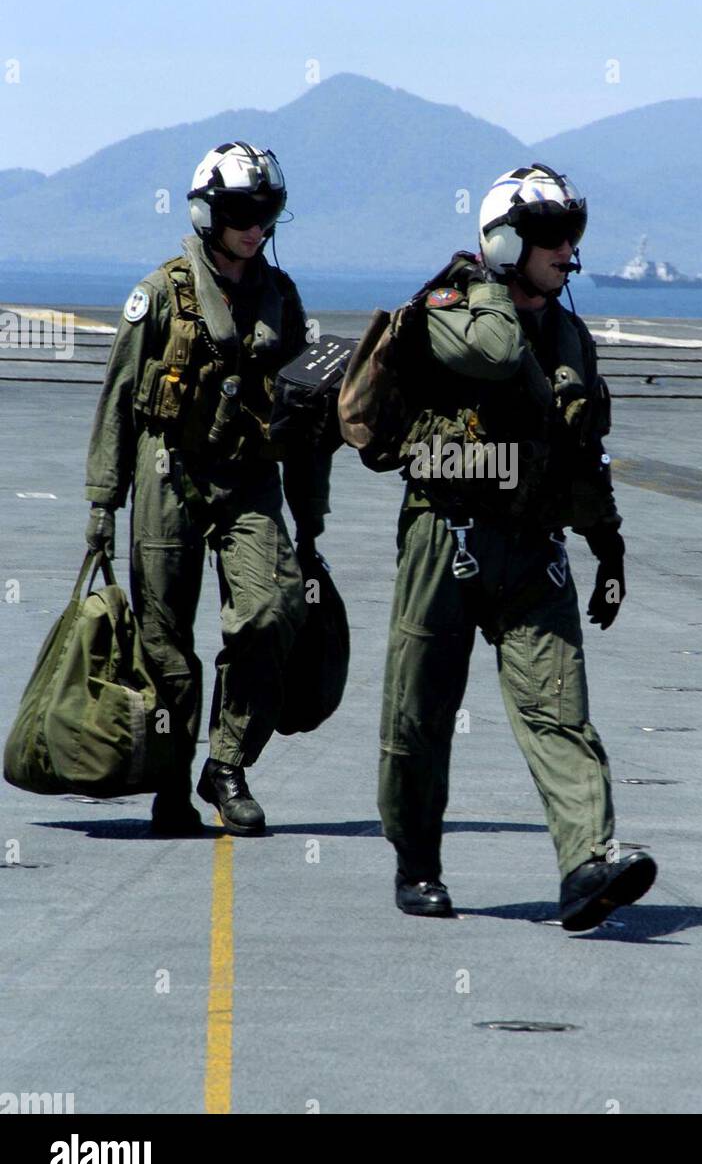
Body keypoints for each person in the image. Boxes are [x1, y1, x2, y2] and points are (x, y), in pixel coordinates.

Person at [377, 163, 657, 930]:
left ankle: (586, 865)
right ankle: (417, 860)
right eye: (549, 238)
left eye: (573, 236)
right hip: (447, 534)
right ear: (505, 242)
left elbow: (584, 449)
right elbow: (497, 355)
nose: (569, 253)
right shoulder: (451, 307)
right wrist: (495, 278)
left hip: (533, 546)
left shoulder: (569, 334)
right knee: (419, 714)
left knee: (558, 709)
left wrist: (609, 544)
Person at [84, 142, 330, 836]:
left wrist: (310, 519)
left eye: (266, 212)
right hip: (168, 472)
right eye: (242, 212)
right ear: (207, 213)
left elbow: (306, 411)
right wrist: (103, 504)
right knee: (164, 642)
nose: (256, 226)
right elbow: (118, 398)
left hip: (251, 476)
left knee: (272, 611)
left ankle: (225, 764)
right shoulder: (161, 292)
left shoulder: (281, 298)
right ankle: (168, 781)